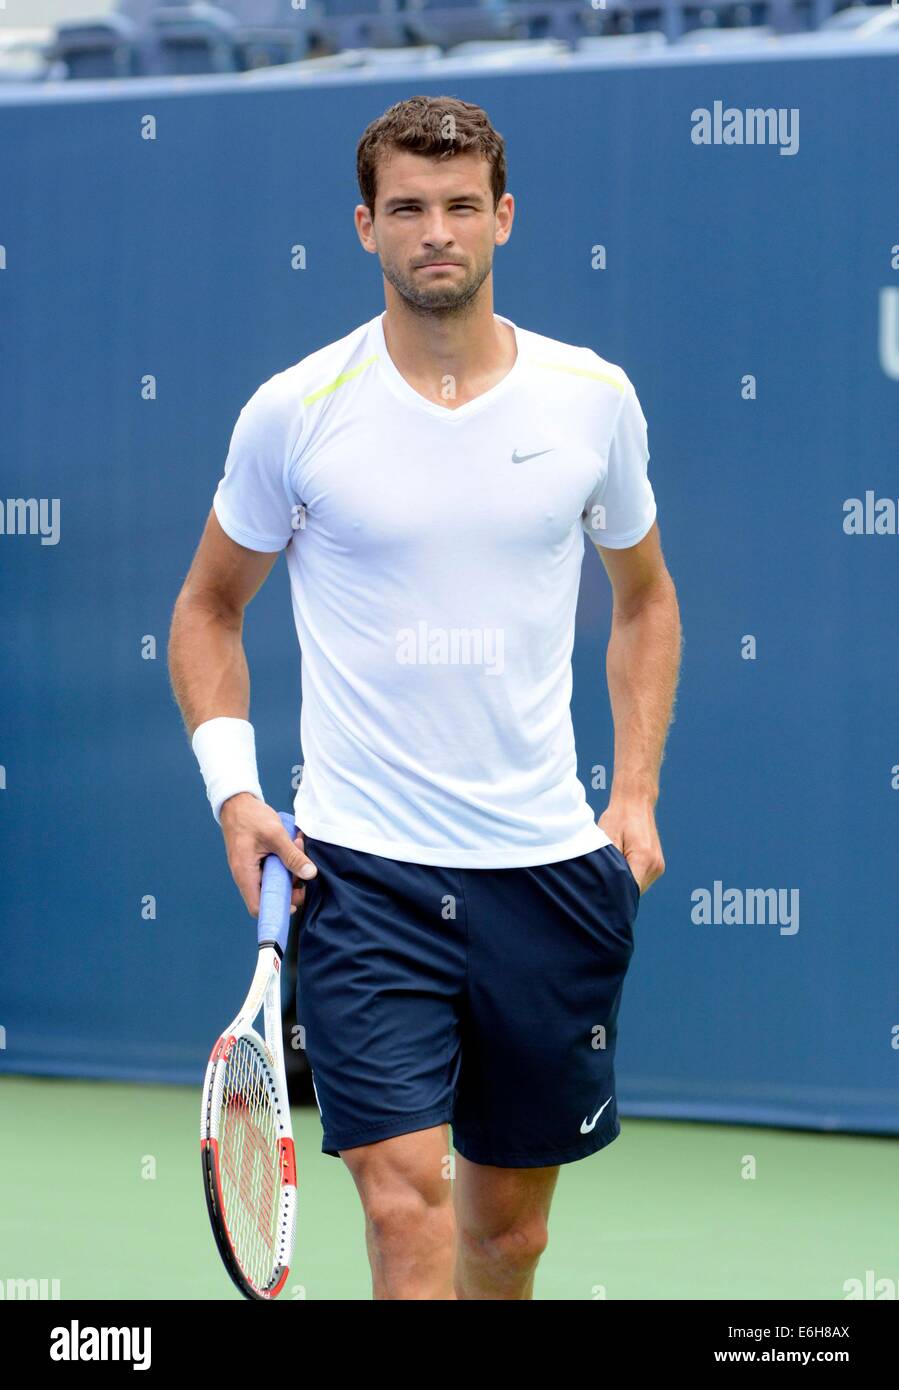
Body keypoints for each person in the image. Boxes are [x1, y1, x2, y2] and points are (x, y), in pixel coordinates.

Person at [168, 93, 682, 1300]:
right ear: (365, 227)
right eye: (407, 208)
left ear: (502, 217)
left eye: (460, 206)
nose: (434, 231)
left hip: (547, 873)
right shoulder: (293, 411)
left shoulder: (588, 400)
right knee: (407, 1203)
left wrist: (638, 795)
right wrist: (236, 795)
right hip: (360, 875)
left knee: (505, 1240)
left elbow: (645, 600)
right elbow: (206, 608)